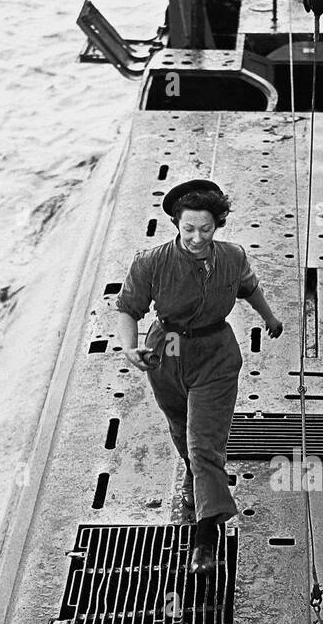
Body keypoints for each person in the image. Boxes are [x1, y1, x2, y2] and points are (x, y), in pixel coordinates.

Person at [116, 179, 283, 572]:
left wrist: (270, 317)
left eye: (205, 229)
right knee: (179, 426)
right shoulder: (151, 261)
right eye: (188, 228)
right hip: (170, 346)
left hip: (215, 352)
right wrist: (129, 347)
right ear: (176, 224)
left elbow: (248, 289)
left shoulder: (232, 256)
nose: (196, 237)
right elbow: (129, 308)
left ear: (217, 225)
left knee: (204, 443)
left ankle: (204, 539)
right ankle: (194, 473)